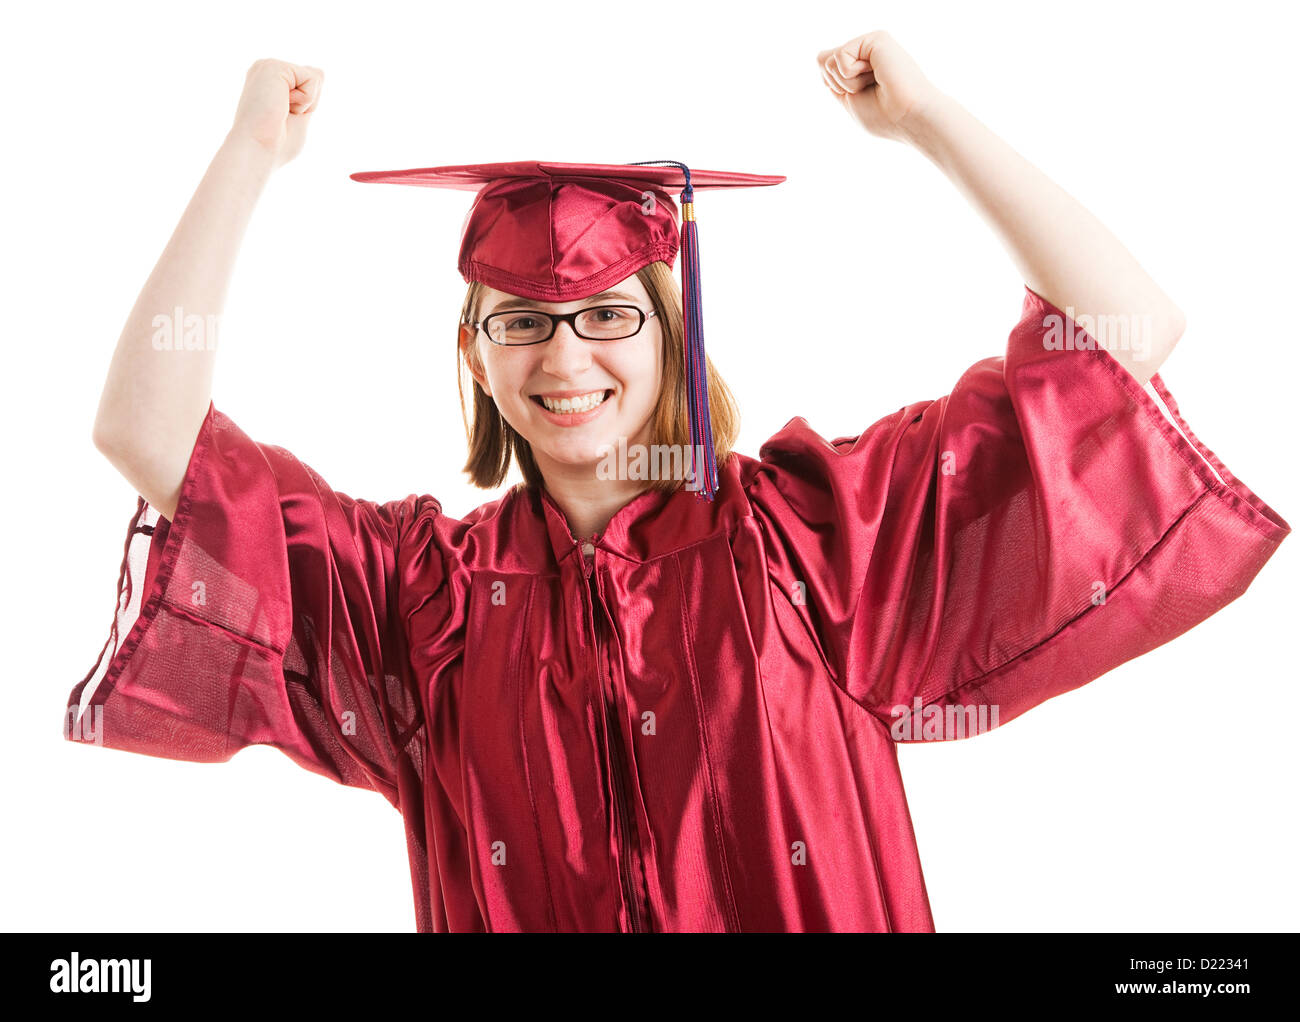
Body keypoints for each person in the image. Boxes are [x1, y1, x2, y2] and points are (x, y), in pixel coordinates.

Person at [65, 35, 1289, 933]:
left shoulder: (815, 541)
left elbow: (1125, 325)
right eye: (523, 323)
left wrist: (927, 120)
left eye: (606, 315)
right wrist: (247, 154)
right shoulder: (413, 600)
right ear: (475, 357)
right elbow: (144, 428)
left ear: (669, 335)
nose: (564, 356)